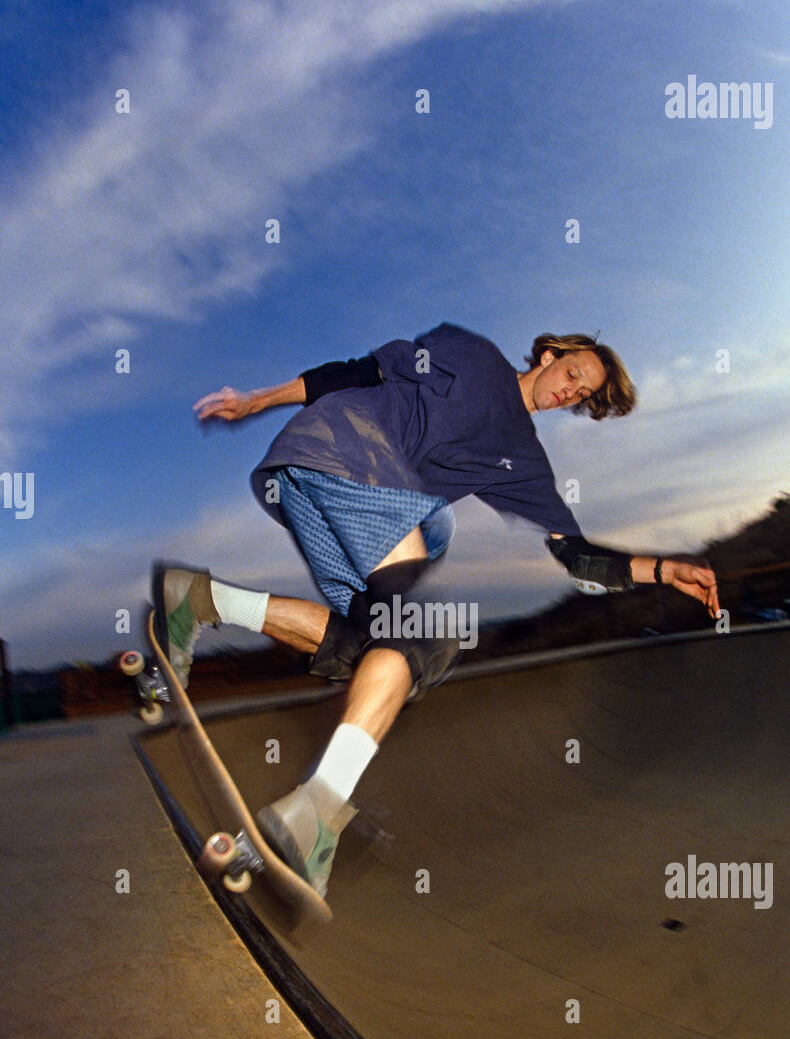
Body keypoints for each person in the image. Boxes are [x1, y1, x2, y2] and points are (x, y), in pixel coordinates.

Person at [154, 321, 718, 897]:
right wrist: (258, 400)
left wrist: (664, 569)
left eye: (582, 396)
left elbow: (576, 557)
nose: (570, 393)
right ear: (550, 355)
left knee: (363, 647)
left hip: (319, 484)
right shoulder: (474, 356)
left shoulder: (522, 460)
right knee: (424, 627)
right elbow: (362, 369)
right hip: (347, 447)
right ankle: (316, 810)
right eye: (573, 375)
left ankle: (200, 602)